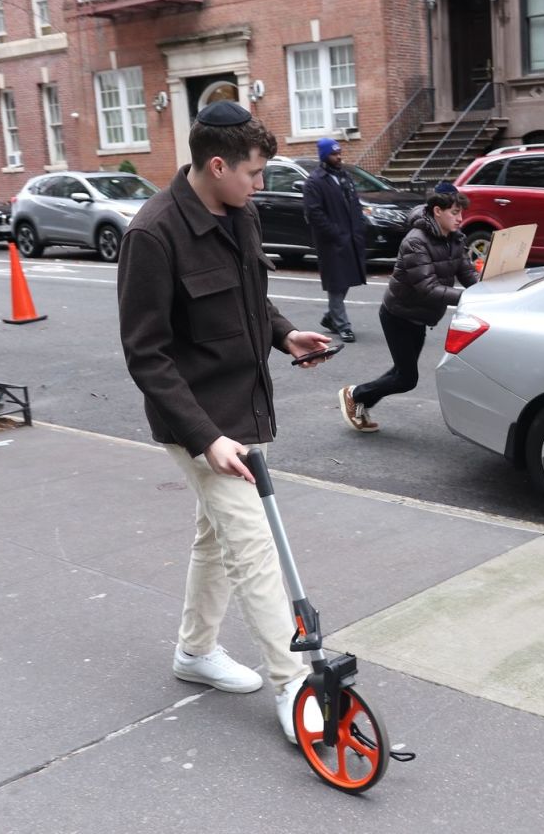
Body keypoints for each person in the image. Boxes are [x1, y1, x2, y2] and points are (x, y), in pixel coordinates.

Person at [117, 101, 327, 744]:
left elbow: (247, 298)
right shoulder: (152, 234)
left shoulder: (240, 214)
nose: (260, 185)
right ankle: (294, 684)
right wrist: (204, 438)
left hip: (245, 408)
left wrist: (286, 335)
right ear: (217, 164)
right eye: (256, 173)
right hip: (196, 422)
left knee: (216, 539)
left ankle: (194, 652)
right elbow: (145, 354)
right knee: (253, 541)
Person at [339, 185, 479, 432]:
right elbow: (427, 287)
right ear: (437, 211)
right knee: (406, 378)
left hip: (419, 316)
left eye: (461, 213)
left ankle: (359, 399)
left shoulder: (455, 239)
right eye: (455, 212)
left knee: (401, 371)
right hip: (399, 315)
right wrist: (468, 298)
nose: (460, 219)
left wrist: (486, 291)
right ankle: (355, 394)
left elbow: (467, 274)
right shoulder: (416, 241)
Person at [304, 137, 367, 343]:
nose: (338, 156)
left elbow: (355, 204)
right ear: (324, 156)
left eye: (339, 152)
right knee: (336, 283)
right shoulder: (315, 181)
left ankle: (331, 317)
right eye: (334, 153)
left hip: (350, 237)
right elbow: (314, 213)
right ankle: (343, 326)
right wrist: (335, 233)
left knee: (346, 279)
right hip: (331, 241)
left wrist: (358, 228)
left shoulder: (344, 176)